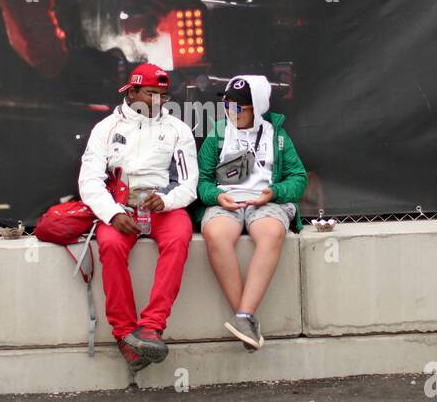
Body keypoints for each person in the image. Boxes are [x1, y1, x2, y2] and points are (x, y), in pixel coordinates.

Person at [78, 63, 198, 372]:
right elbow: (89, 180)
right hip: (122, 205)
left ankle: (151, 328)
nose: (158, 101)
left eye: (163, 95)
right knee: (110, 245)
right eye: (151, 94)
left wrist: (168, 200)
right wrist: (113, 213)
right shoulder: (106, 128)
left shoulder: (178, 129)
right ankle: (124, 335)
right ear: (132, 92)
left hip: (161, 204)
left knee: (179, 237)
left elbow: (189, 183)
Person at [194, 75, 307, 350]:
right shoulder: (218, 133)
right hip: (226, 202)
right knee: (216, 234)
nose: (230, 112)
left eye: (238, 107)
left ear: (256, 107)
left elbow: (298, 177)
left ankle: (243, 317)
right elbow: (200, 181)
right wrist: (217, 196)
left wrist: (275, 193)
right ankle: (245, 319)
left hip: (266, 202)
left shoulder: (276, 135)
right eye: (227, 105)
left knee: (270, 233)